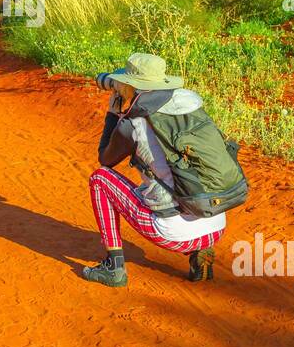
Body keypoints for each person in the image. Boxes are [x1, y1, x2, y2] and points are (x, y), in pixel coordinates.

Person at [83, 52, 244, 288]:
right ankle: (201, 253)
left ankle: (113, 267)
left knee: (100, 179)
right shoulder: (191, 107)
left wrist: (112, 113)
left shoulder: (134, 124)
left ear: (130, 86)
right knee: (184, 171)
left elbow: (105, 159)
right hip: (215, 224)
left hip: (172, 234)